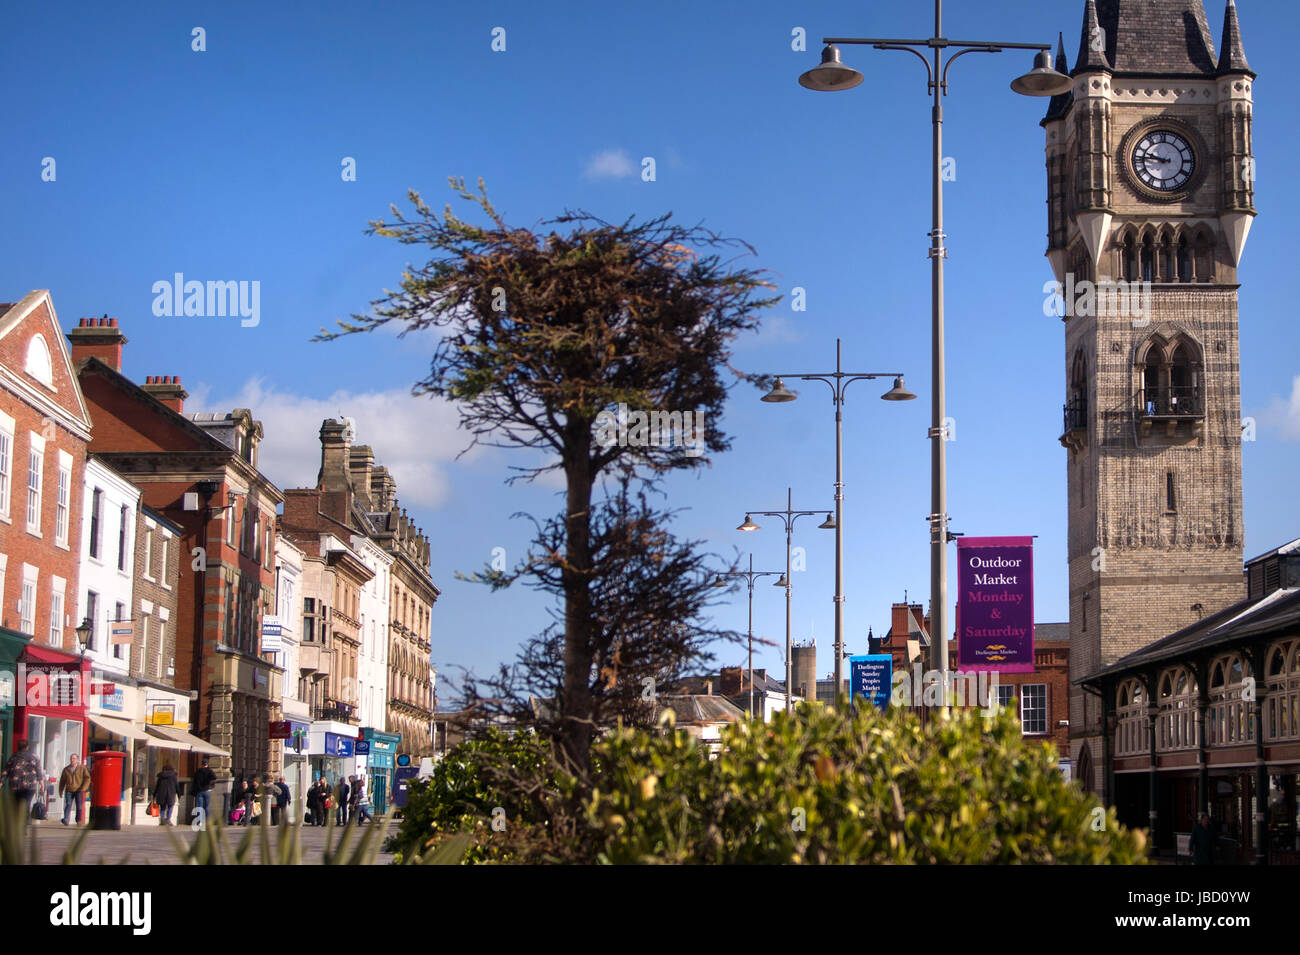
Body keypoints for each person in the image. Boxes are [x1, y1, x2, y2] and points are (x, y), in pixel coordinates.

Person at [3, 740, 44, 820]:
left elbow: (6, 771)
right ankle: (24, 822)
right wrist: (42, 784)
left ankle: (18, 822)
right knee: (27, 803)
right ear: (27, 747)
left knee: (16, 804)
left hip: (15, 785)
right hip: (30, 785)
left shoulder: (13, 757)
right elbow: (39, 771)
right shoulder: (34, 757)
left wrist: (1, 782)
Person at [58, 753, 91, 826]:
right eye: (71, 758)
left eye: (74, 758)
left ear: (77, 760)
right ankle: (66, 819)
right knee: (68, 804)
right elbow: (62, 781)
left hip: (79, 790)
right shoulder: (66, 769)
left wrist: (84, 788)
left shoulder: (82, 768)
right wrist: (60, 791)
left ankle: (78, 820)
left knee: (79, 806)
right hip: (69, 790)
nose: (72, 760)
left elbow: (87, 778)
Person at [192, 757, 216, 824]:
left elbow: (195, 781)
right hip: (207, 790)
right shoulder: (210, 771)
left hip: (199, 791)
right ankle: (207, 820)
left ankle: (200, 821)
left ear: (202, 764)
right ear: (207, 764)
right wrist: (210, 785)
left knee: (200, 806)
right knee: (206, 806)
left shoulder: (198, 772)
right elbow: (214, 778)